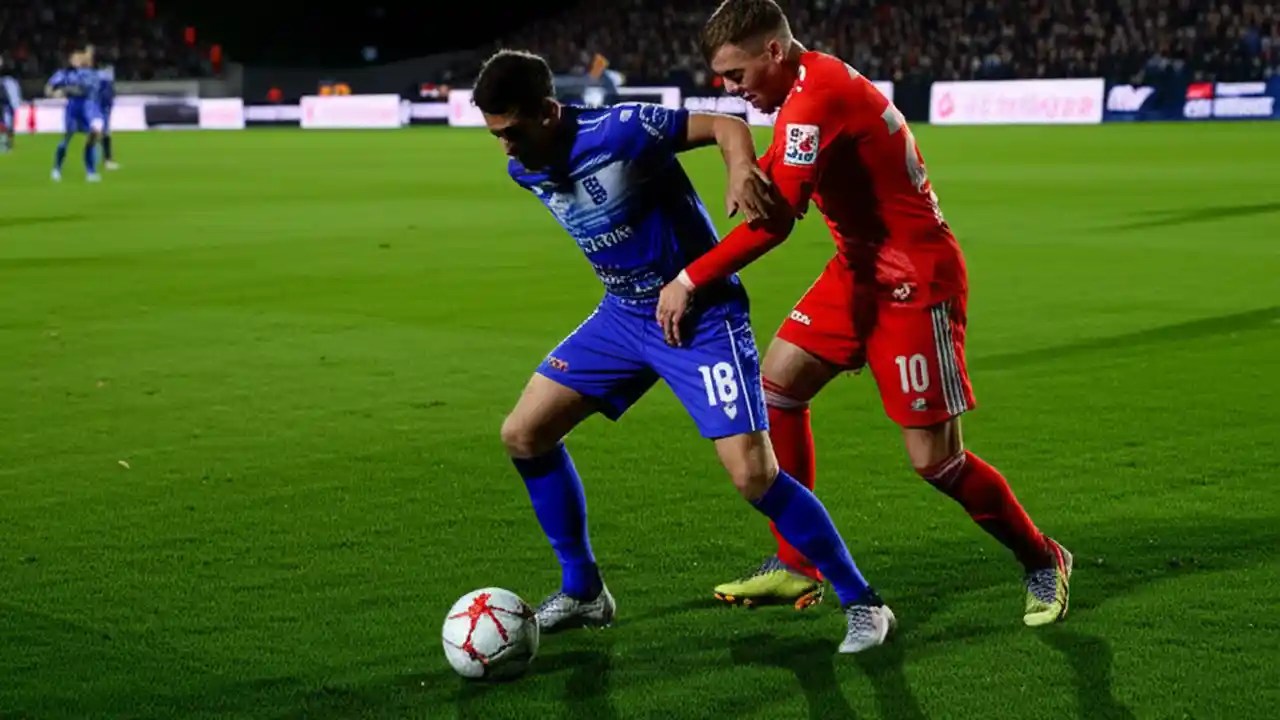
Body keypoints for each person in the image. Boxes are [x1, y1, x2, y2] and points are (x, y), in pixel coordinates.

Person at [657, 0, 1071, 627]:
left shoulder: (816, 95)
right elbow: (777, 177)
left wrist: (689, 278)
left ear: (773, 50)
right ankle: (797, 563)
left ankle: (1044, 559)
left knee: (937, 462)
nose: (731, 90)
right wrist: (745, 166)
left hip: (913, 280)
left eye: (736, 75)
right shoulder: (800, 88)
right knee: (779, 384)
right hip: (859, 268)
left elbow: (774, 224)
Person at [475, 49, 896, 653]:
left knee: (755, 475)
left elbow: (726, 124)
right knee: (523, 433)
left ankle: (864, 602)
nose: (507, 149)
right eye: (496, 136)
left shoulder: (620, 128)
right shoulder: (526, 168)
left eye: (513, 131)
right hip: (622, 315)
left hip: (701, 316)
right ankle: (585, 590)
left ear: (548, 110)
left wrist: (740, 167)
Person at [46, 49, 103, 182]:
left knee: (95, 133)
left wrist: (64, 90)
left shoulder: (92, 74)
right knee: (67, 138)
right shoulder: (65, 74)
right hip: (74, 107)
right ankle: (56, 169)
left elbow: (86, 88)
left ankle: (91, 171)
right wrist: (54, 93)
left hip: (90, 106)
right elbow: (49, 87)